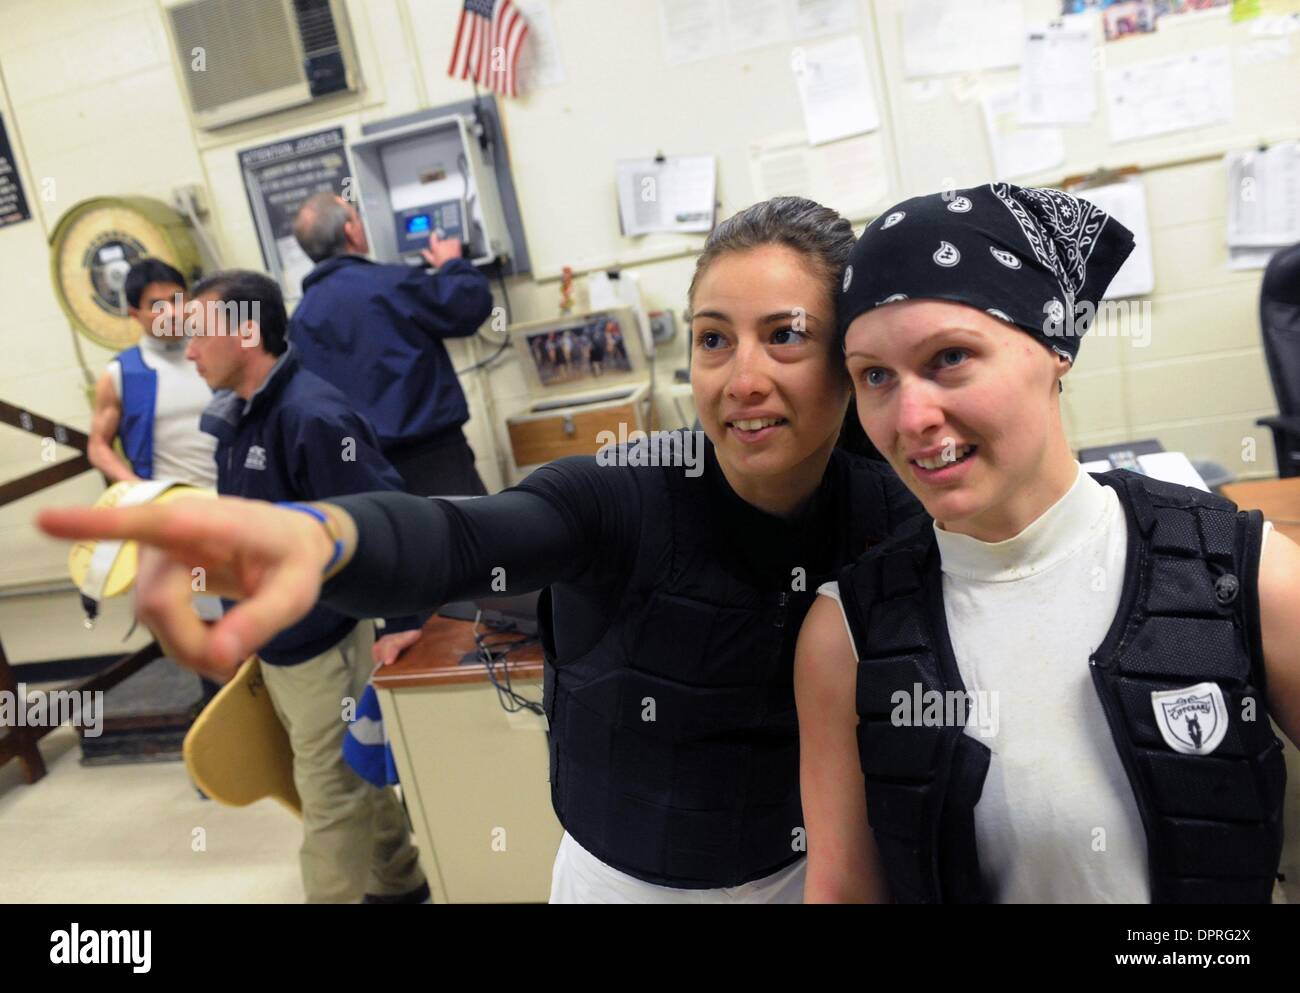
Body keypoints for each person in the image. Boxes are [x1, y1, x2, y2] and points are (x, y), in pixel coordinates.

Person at [38, 197, 923, 904]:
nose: (743, 377)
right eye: (713, 339)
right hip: (620, 882)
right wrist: (323, 534)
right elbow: (462, 534)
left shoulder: (892, 513)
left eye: (786, 335)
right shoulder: (628, 494)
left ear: (847, 357)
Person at [795, 182, 1300, 903]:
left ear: (1054, 346)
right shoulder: (846, 635)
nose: (911, 416)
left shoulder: (1240, 570)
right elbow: (844, 890)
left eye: (950, 357)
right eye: (875, 375)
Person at [181, 269, 429, 904]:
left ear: (244, 332)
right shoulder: (236, 419)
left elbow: (387, 516)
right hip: (280, 647)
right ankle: (401, 885)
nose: (188, 350)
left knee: (330, 800)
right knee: (348, 784)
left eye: (197, 332)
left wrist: (404, 624)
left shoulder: (311, 416)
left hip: (326, 646)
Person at [289, 192, 494, 497]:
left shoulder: (301, 318)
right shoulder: (392, 284)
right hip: (436, 457)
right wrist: (453, 264)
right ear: (350, 230)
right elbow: (468, 304)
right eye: (356, 218)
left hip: (363, 470)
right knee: (467, 539)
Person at [88, 259, 216, 489]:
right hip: (170, 506)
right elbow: (98, 446)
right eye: (157, 306)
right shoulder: (120, 374)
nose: (172, 313)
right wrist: (137, 488)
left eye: (177, 301)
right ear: (135, 314)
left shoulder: (218, 354)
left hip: (238, 498)